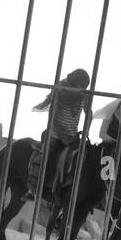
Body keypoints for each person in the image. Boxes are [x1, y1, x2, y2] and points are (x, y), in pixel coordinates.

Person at [27, 68, 90, 199]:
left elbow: (88, 113)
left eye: (84, 87)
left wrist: (86, 129)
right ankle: (32, 189)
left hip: (72, 135)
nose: (82, 89)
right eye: (80, 86)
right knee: (45, 156)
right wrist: (62, 136)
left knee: (85, 157)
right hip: (55, 134)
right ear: (73, 83)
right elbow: (52, 118)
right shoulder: (60, 92)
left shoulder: (84, 96)